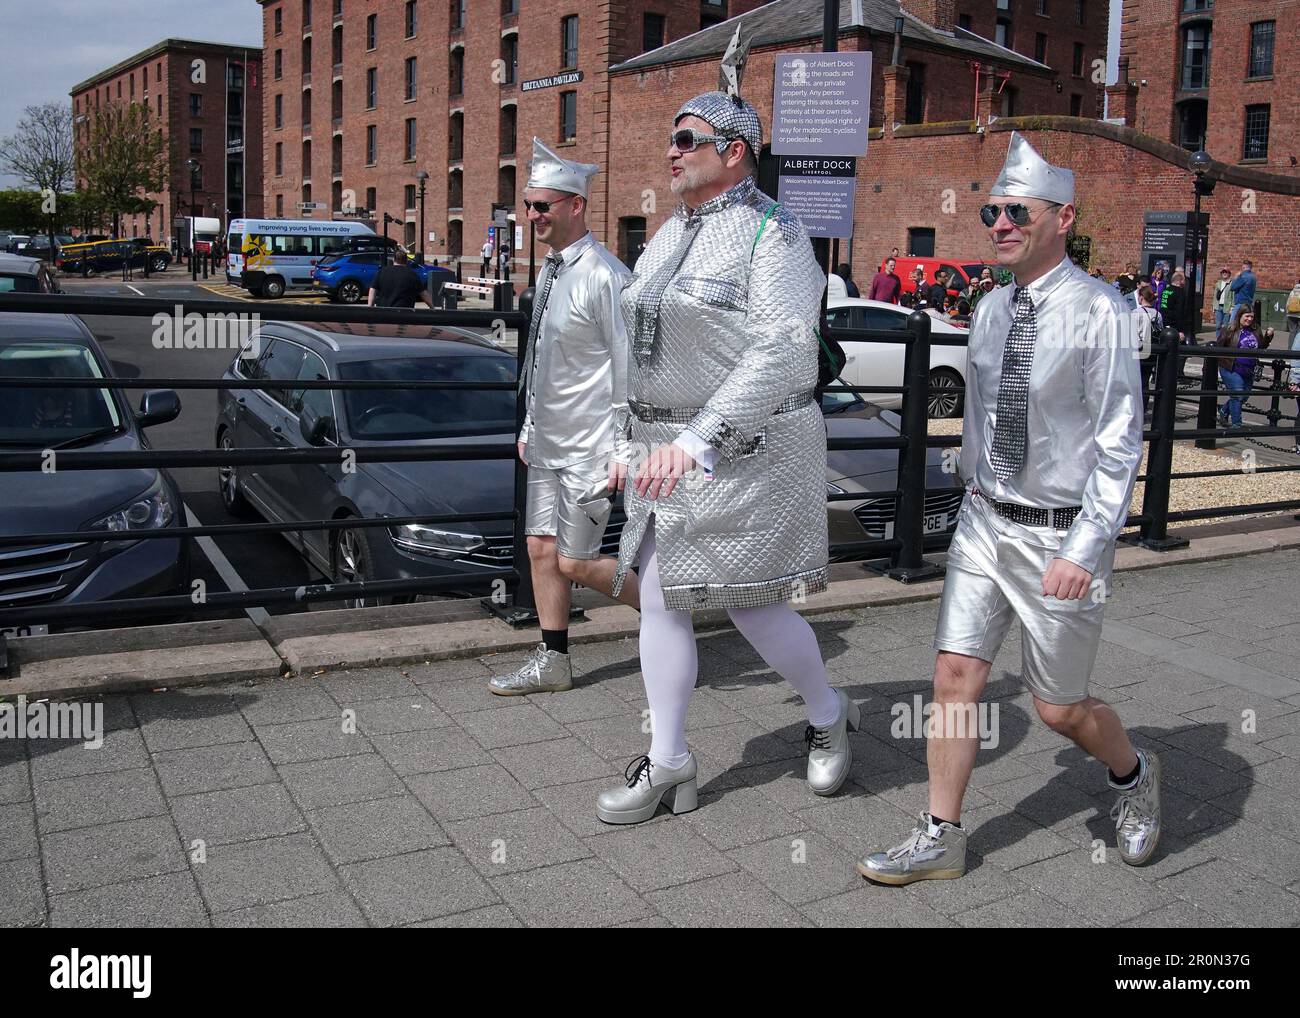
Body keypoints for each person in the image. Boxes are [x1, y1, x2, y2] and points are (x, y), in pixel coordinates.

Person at [859, 133, 1158, 885]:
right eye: (992, 209)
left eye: (1015, 210)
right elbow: (989, 416)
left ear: (1062, 218)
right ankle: (941, 833)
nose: (997, 222)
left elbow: (1121, 446)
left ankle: (1133, 773)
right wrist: (965, 476)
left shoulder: (1103, 314)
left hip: (1059, 537)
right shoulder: (990, 310)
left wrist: (1085, 549)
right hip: (985, 525)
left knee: (1059, 709)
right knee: (955, 673)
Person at [598, 29, 854, 825]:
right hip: (665, 452)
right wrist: (620, 434)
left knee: (753, 606)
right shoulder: (668, 232)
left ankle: (827, 711)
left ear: (736, 151)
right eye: (671, 139)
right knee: (663, 601)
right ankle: (670, 760)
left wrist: (697, 441)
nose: (671, 152)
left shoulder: (772, 233)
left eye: (687, 140)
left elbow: (783, 350)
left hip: (747, 450)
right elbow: (631, 345)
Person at [488, 139, 642, 695]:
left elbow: (629, 369)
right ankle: (553, 659)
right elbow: (544, 359)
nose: (531, 216)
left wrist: (625, 450)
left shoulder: (606, 276)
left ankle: (668, 612)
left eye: (542, 206)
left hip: (592, 445)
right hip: (550, 438)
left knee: (577, 562)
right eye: (528, 206)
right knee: (539, 549)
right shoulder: (552, 273)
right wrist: (531, 425)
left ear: (576, 205)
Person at [1216, 305, 1260, 430]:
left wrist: (1268, 336)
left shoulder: (1255, 330)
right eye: (1247, 316)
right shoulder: (1229, 330)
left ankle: (1224, 410)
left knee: (1244, 396)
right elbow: (1217, 347)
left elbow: (1261, 345)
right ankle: (1237, 424)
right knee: (1238, 395)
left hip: (1248, 369)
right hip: (1231, 367)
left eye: (1252, 316)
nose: (1250, 319)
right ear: (1239, 316)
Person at [1135, 284, 1163, 417]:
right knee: (1145, 381)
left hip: (1138, 351)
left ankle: (1135, 408)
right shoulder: (1158, 314)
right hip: (1152, 350)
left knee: (1134, 381)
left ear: (1141, 297)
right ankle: (1144, 407)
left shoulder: (1136, 313)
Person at [1213, 267, 1233, 333]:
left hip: (1227, 307)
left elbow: (1233, 296)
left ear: (1229, 274)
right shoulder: (1218, 283)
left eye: (1226, 272)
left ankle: (1224, 340)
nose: (1224, 273)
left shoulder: (1231, 284)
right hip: (1218, 307)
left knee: (1226, 326)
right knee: (1218, 325)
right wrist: (1214, 307)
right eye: (1223, 272)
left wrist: (1232, 307)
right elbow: (1215, 296)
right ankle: (1219, 340)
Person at [1285, 274, 1300, 350]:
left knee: (1292, 332)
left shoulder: (1293, 291)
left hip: (1290, 314)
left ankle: (1290, 349)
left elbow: (1287, 303)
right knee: (1299, 333)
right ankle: (1296, 349)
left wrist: (1288, 313)